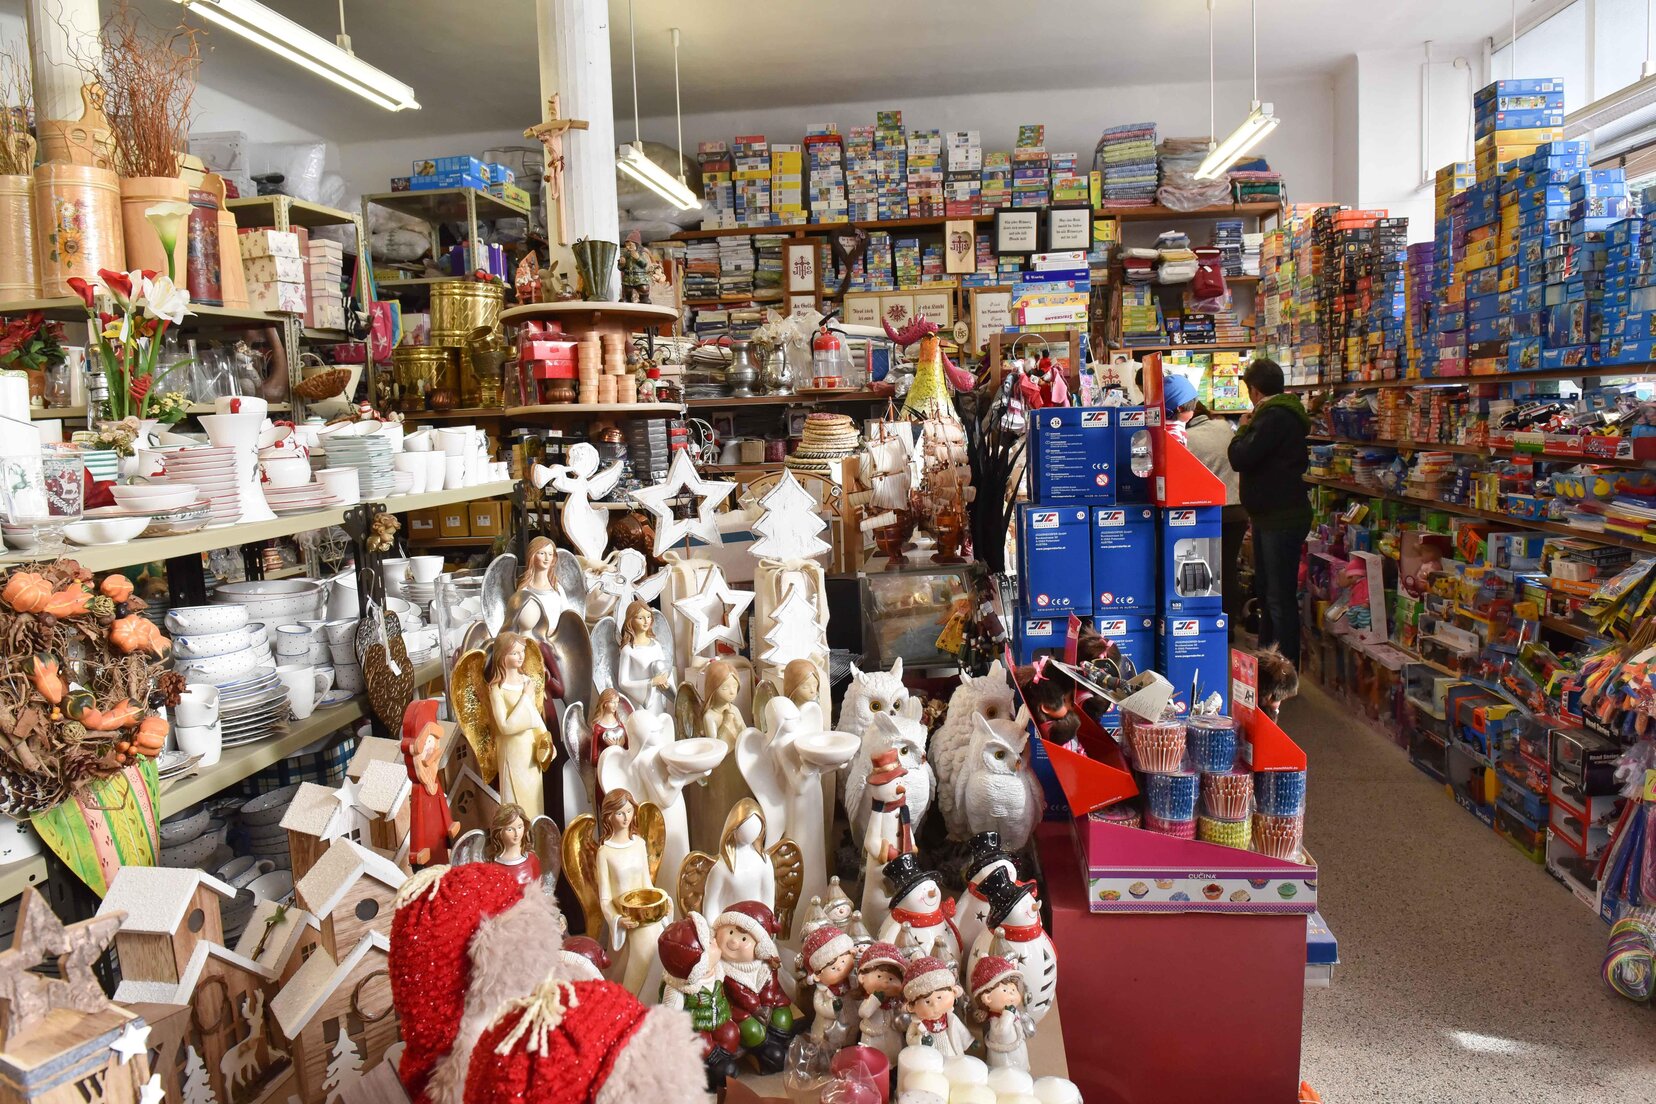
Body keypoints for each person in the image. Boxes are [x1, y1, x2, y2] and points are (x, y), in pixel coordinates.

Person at [1226, 358, 1311, 668]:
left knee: (1278, 598)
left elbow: (1241, 456)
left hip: (1280, 518)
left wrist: (1241, 430)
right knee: (1270, 594)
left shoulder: (1272, 417)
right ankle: (1268, 662)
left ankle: (1283, 669)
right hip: (1273, 516)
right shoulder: (1279, 415)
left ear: (1255, 390)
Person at [1165, 374, 1246, 623]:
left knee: (1202, 568)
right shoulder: (1224, 427)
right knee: (1228, 567)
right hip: (1238, 509)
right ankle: (1229, 624)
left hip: (1207, 511)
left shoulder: (1184, 438)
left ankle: (1206, 622)